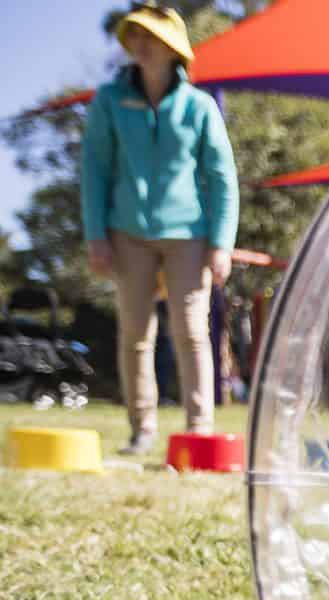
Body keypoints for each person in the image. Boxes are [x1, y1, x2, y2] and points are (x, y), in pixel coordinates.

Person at [80, 3, 238, 455]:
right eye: (136, 36)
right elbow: (95, 169)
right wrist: (96, 235)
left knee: (191, 330)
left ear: (174, 50)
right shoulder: (110, 100)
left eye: (152, 38)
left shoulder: (199, 107)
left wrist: (221, 243)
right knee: (135, 333)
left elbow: (222, 176)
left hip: (189, 233)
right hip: (128, 232)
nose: (141, 45)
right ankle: (142, 428)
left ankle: (198, 429)